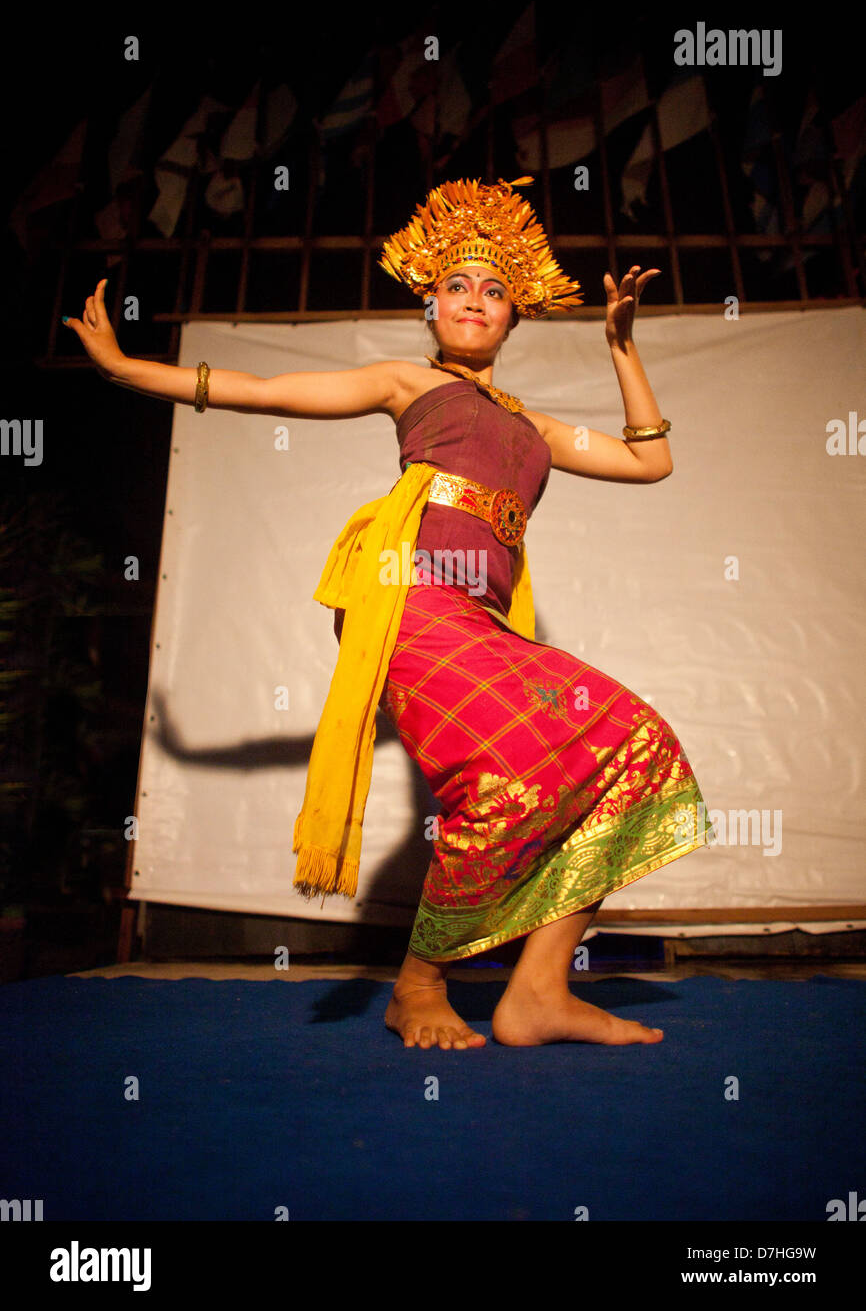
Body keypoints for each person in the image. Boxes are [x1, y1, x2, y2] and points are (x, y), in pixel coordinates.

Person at [64, 175, 715, 1053]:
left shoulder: (533, 427)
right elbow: (262, 390)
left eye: (494, 290)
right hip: (411, 603)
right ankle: (418, 986)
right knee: (496, 785)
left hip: (481, 624)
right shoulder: (408, 383)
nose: (475, 300)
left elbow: (653, 462)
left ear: (515, 318)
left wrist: (622, 346)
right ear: (431, 307)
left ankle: (538, 991)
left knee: (635, 747)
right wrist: (125, 368)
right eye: (457, 285)